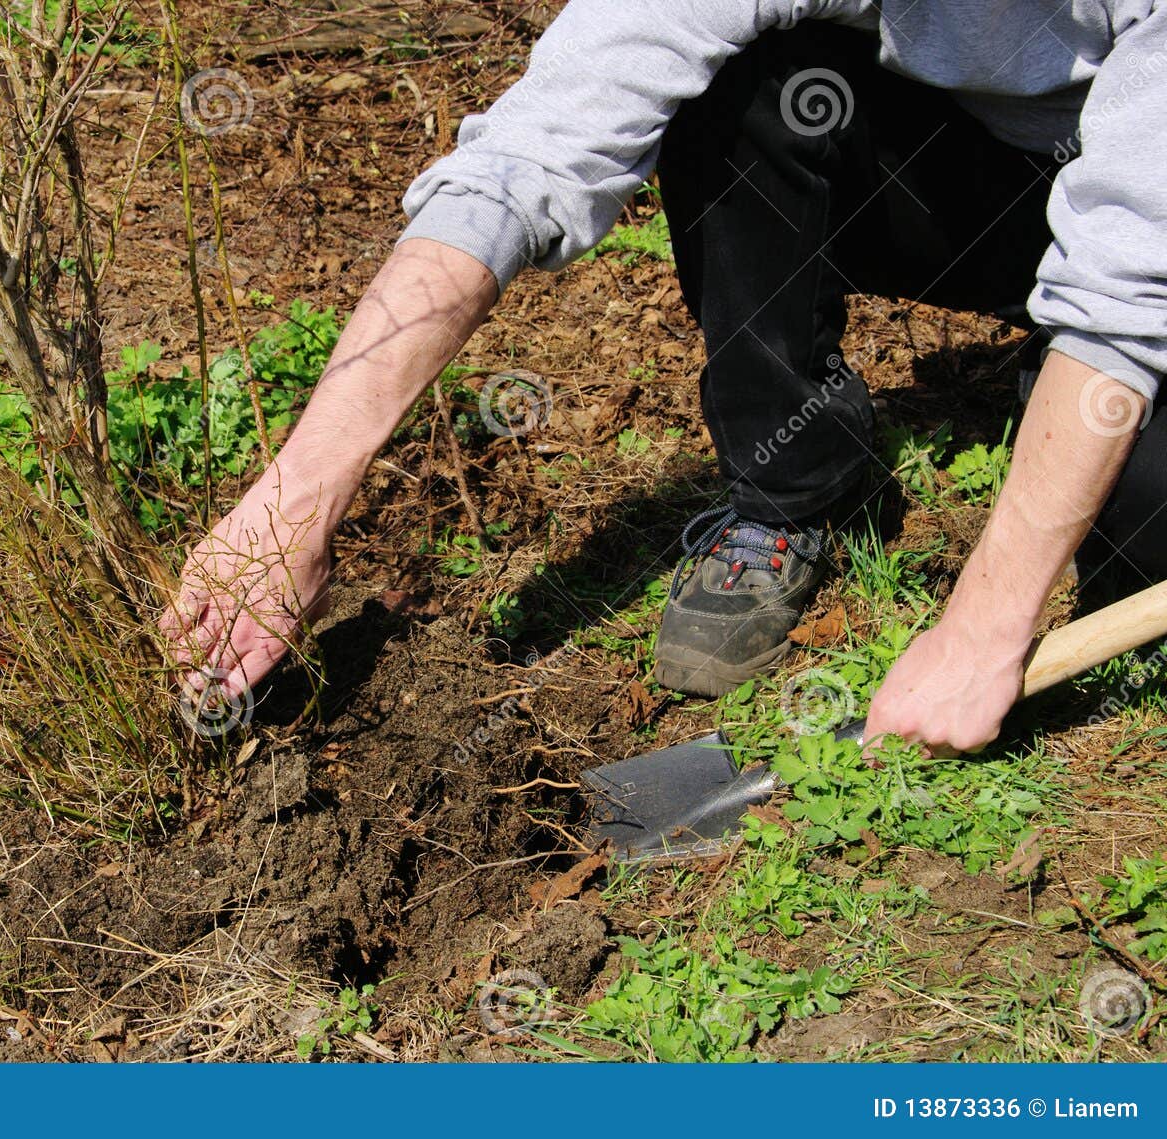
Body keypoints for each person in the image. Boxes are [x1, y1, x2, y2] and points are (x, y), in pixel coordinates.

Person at [161, 1, 1166, 757]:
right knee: (751, 89)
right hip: (989, 178)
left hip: (1144, 207)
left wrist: (981, 630)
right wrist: (292, 502)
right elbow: (517, 164)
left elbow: (1129, 284)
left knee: (1142, 526)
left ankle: (1070, 386)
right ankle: (794, 488)